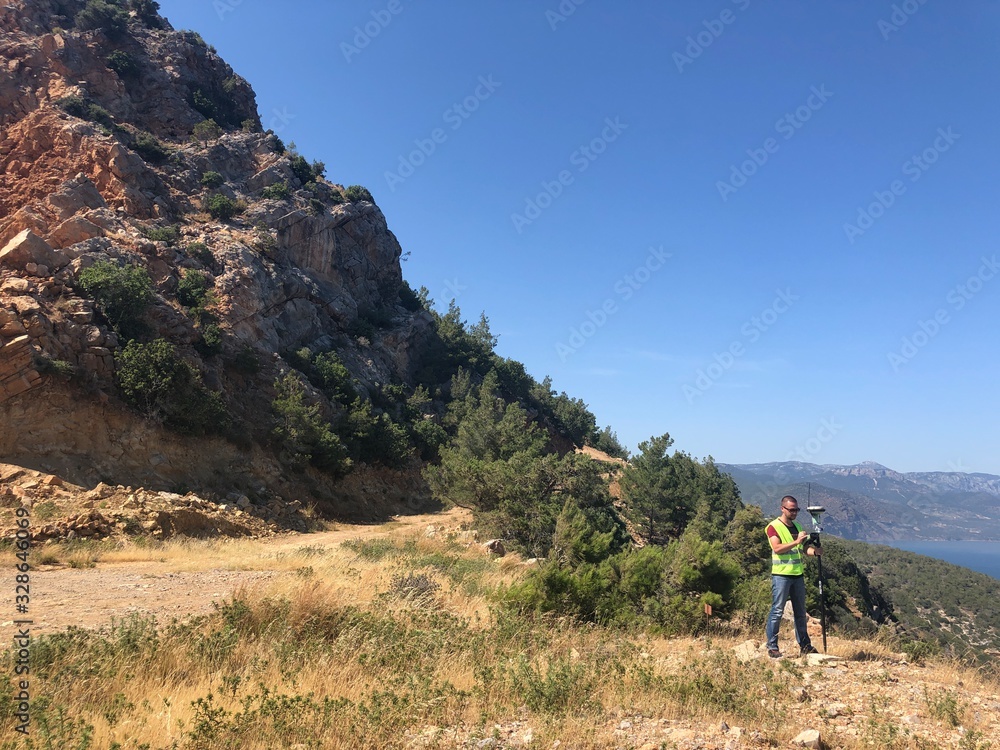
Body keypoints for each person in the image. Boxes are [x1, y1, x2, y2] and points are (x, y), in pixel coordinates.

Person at [765, 495, 821, 658]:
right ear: (783, 508)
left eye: (797, 509)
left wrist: (814, 552)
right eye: (792, 510)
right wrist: (796, 541)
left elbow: (804, 549)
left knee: (800, 612)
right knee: (777, 610)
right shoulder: (773, 527)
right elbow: (777, 548)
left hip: (797, 574)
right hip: (781, 575)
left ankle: (805, 645)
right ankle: (772, 646)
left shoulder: (797, 525)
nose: (795, 512)